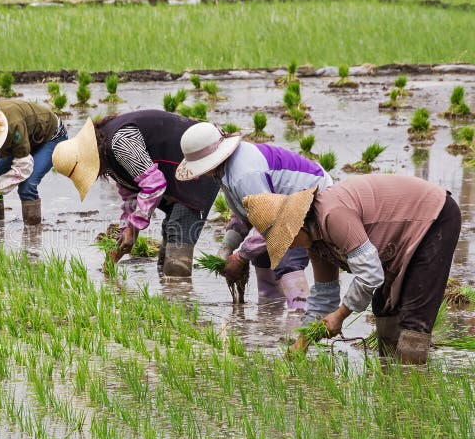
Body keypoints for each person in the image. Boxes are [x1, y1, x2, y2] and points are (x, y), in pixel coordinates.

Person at [242, 174, 461, 364]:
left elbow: (370, 274)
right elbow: (324, 295)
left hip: (433, 217)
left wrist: (340, 315)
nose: (288, 247)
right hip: (395, 241)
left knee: (414, 317)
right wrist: (302, 342)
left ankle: (410, 385)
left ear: (296, 225)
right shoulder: (317, 243)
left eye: (286, 240)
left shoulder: (333, 215)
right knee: (383, 307)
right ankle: (389, 379)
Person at [176, 122, 333, 310]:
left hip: (312, 200)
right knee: (261, 255)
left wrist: (240, 258)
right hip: (282, 207)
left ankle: (300, 315)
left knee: (286, 259)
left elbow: (271, 221)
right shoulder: (225, 170)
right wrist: (227, 247)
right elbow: (247, 212)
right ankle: (269, 317)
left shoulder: (244, 173)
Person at [52, 110, 219, 276]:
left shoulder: (120, 143)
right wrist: (125, 233)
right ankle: (174, 290)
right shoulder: (107, 155)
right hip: (178, 175)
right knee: (165, 260)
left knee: (177, 254)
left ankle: (181, 289)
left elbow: (154, 184)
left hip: (200, 161)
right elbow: (131, 195)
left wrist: (133, 228)